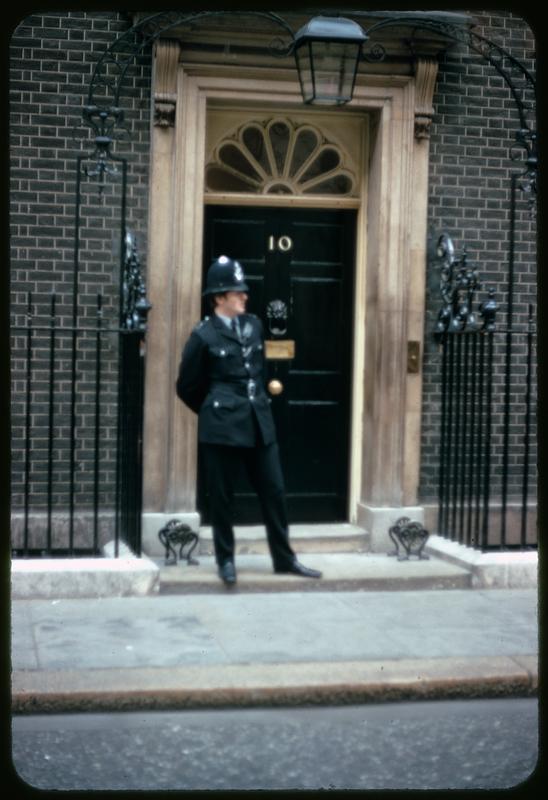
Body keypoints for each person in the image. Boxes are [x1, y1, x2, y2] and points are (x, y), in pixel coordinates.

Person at [176, 255, 322, 586]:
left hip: (259, 423)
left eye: (243, 291)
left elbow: (259, 370)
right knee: (223, 497)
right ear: (218, 298)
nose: (244, 296)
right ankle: (226, 561)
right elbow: (186, 386)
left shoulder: (254, 325)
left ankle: (284, 559)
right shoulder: (203, 336)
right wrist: (216, 409)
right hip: (222, 429)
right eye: (236, 292)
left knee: (275, 491)